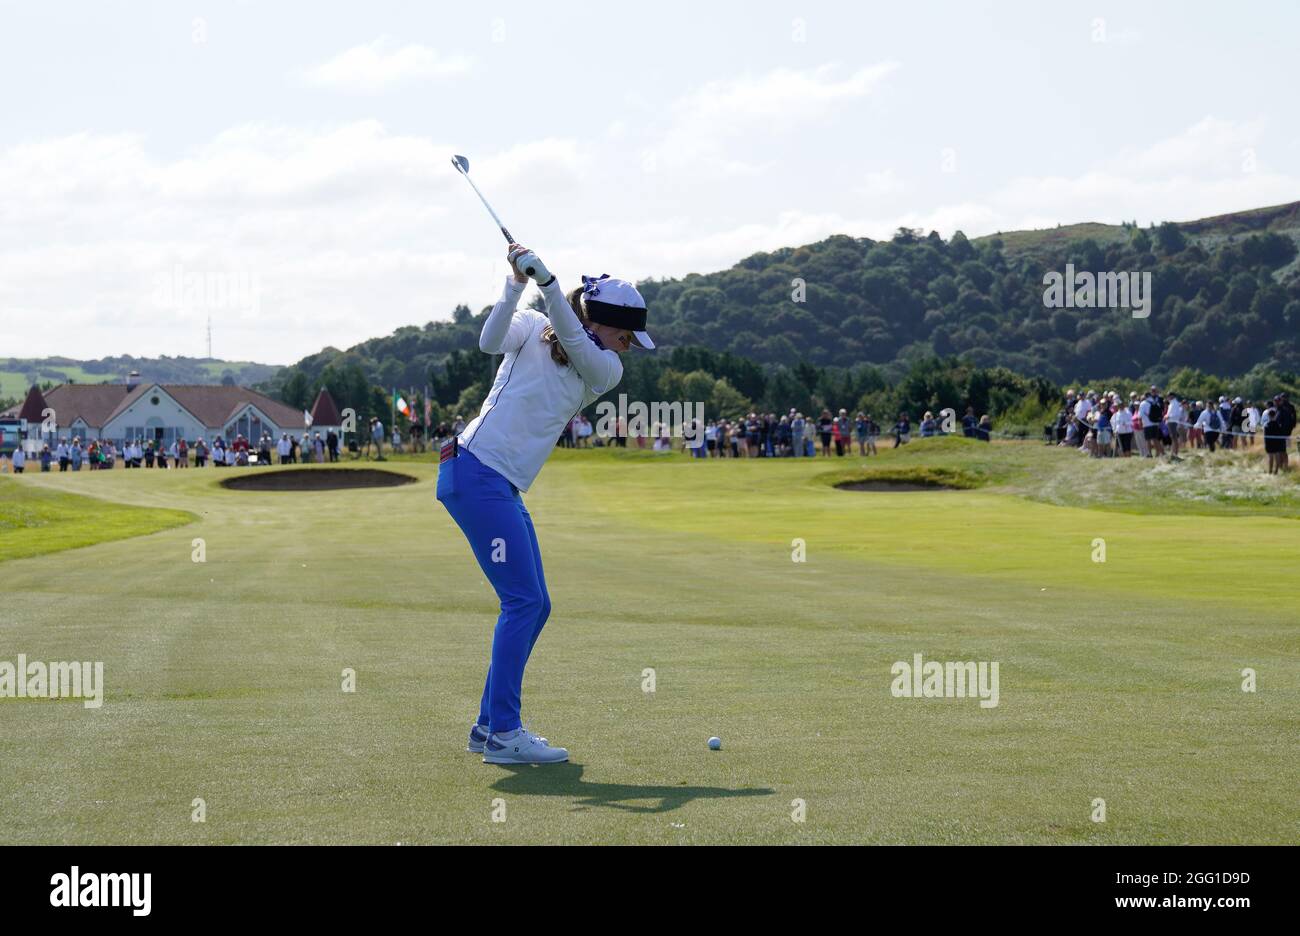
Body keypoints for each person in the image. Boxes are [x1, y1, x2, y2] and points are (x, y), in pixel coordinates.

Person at [439, 244, 652, 765]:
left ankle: (489, 726)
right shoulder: (534, 325)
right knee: (524, 603)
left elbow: (575, 342)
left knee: (537, 604)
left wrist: (549, 284)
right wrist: (515, 284)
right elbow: (490, 341)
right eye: (624, 336)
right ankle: (505, 733)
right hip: (475, 470)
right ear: (600, 323)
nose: (626, 348)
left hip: (499, 484)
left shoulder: (603, 368)